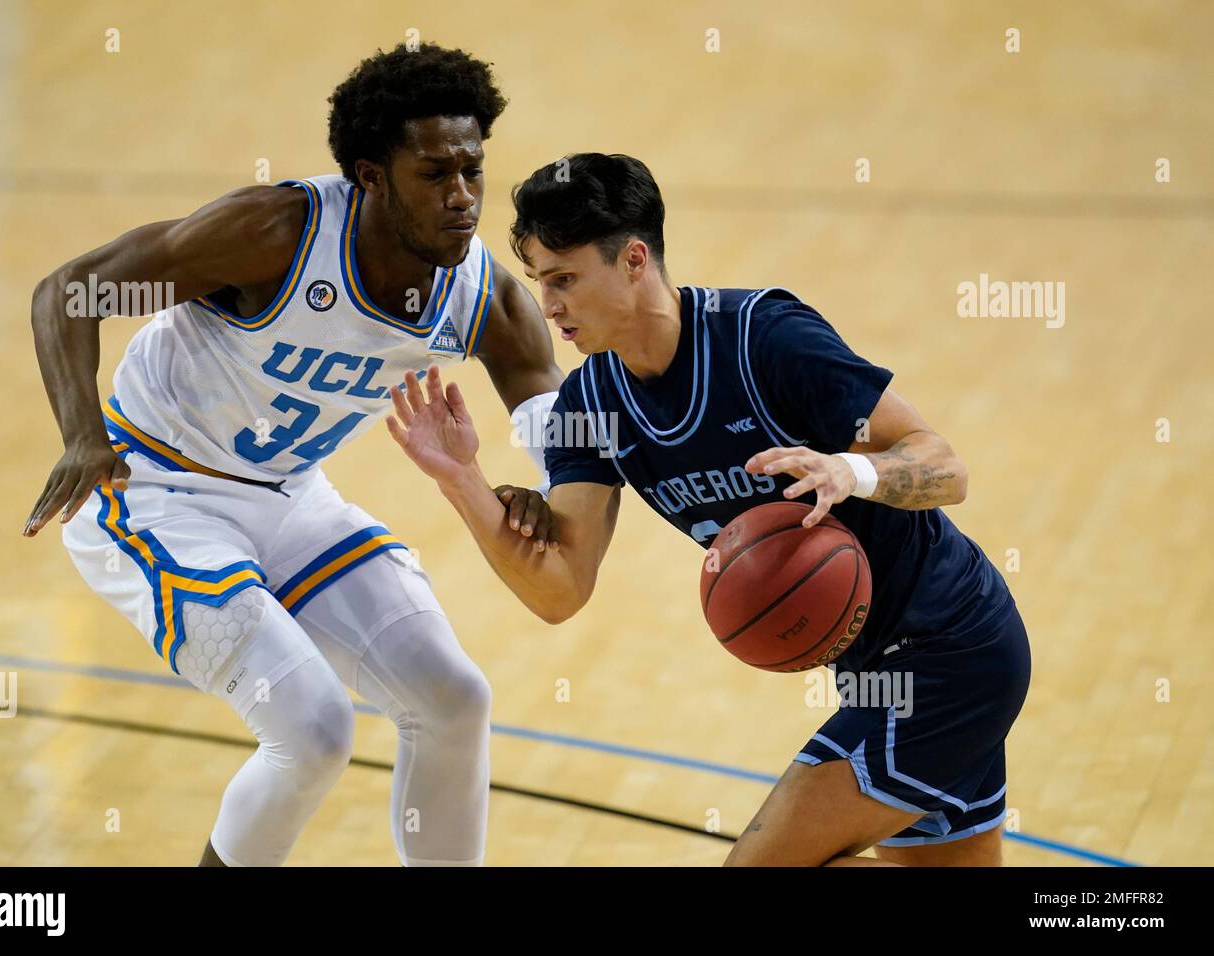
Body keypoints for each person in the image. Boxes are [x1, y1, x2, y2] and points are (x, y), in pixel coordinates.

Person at [386, 153, 1031, 866]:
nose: (549, 305)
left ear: (634, 260)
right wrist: (462, 481)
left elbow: (945, 467)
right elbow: (559, 590)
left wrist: (848, 471)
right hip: (869, 668)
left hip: (952, 648)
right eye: (540, 281)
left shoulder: (764, 337)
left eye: (564, 278)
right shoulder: (591, 404)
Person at [25, 43, 562, 867]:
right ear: (371, 176)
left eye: (472, 170)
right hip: (154, 485)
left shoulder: (481, 297)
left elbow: (556, 418)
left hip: (289, 495)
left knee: (454, 700)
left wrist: (543, 487)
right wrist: (81, 433)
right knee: (312, 730)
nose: (462, 197)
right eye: (434, 175)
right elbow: (71, 293)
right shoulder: (273, 237)